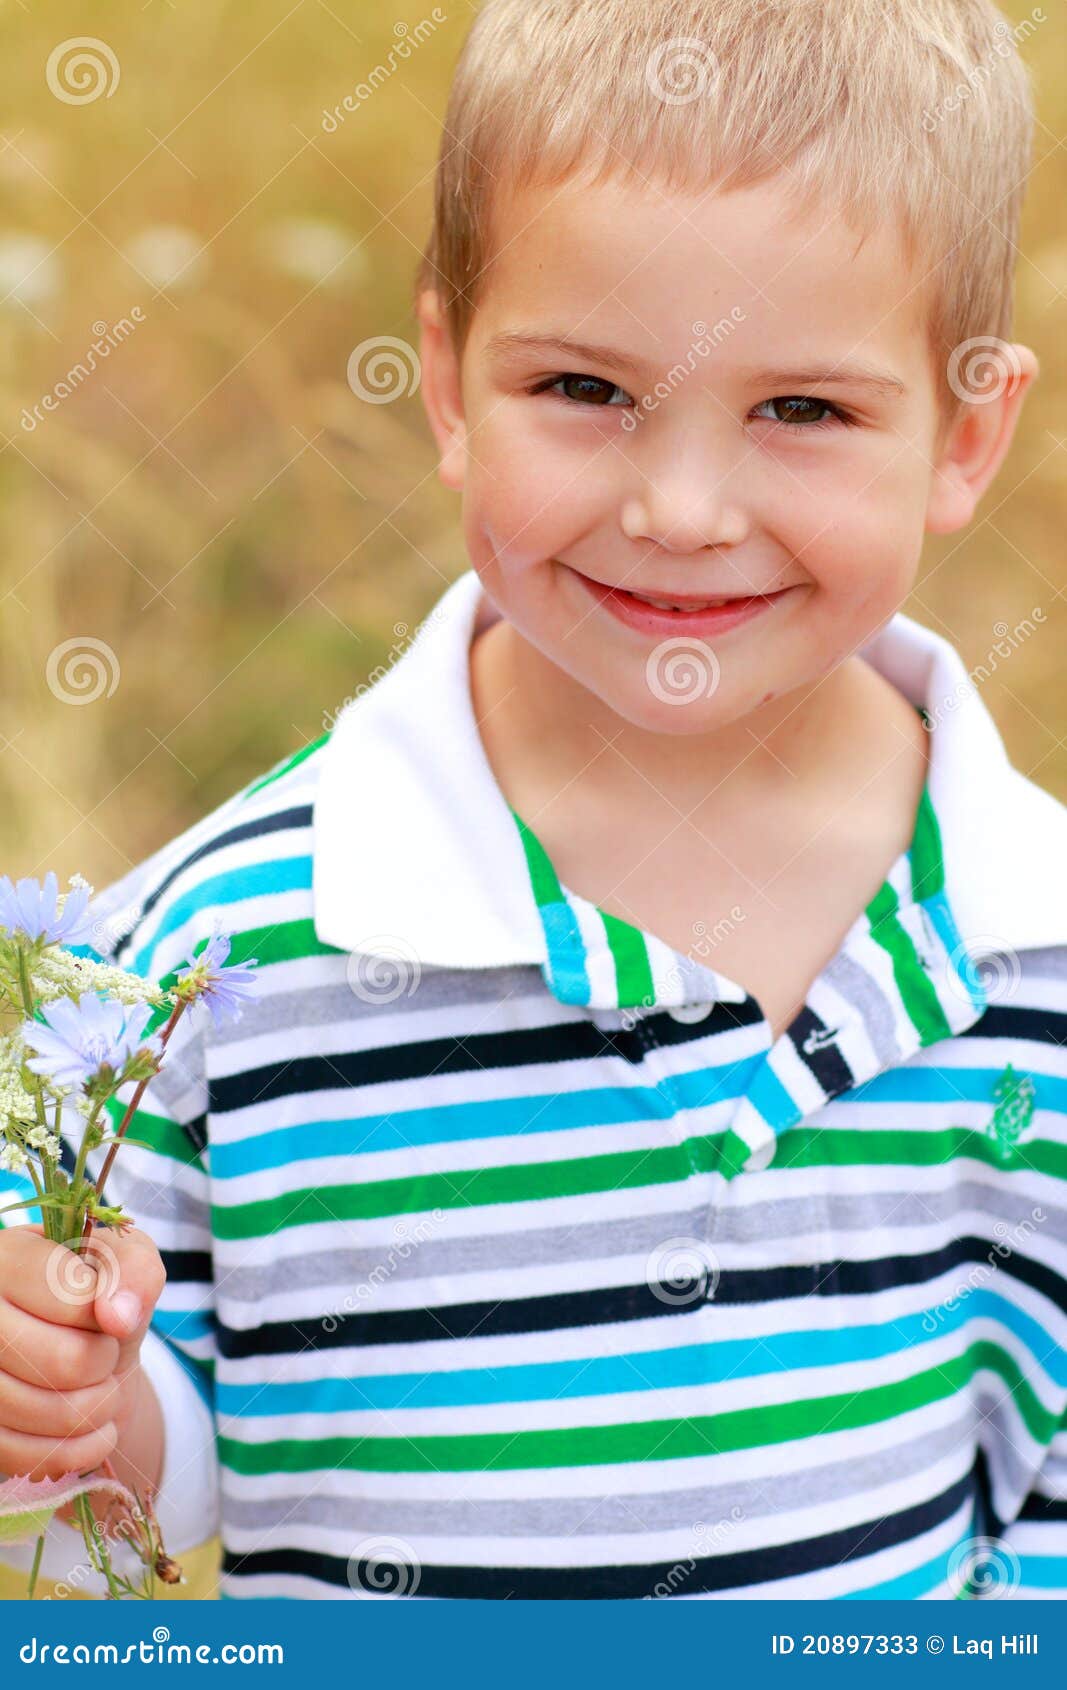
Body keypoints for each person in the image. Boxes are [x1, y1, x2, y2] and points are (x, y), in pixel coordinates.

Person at [1, 0, 1065, 1600]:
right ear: (445, 383)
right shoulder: (212, 953)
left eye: (803, 411)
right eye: (582, 387)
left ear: (966, 433)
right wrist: (71, 1406)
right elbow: (121, 1491)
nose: (681, 508)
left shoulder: (1036, 940)